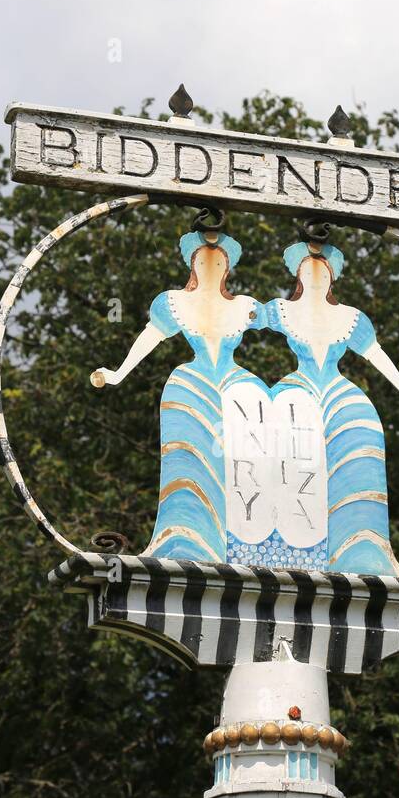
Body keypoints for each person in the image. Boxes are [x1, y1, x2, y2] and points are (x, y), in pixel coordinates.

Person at [263, 238, 399, 575]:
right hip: (296, 393)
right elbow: (239, 319)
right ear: (298, 277)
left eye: (323, 273)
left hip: (340, 395)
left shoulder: (351, 319)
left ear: (333, 278)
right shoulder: (281, 310)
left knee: (361, 442)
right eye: (308, 272)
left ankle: (360, 551)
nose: (317, 279)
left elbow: (377, 356)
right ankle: (284, 551)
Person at [90, 226, 267, 562]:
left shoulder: (245, 306)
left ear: (227, 269)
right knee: (189, 462)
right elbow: (150, 336)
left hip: (237, 388)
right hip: (191, 387)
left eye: (218, 264)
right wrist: (117, 374)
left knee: (243, 467)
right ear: (192, 266)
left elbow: (285, 318)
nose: (210, 268)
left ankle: (247, 543)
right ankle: (187, 538)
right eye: (202, 262)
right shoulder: (176, 303)